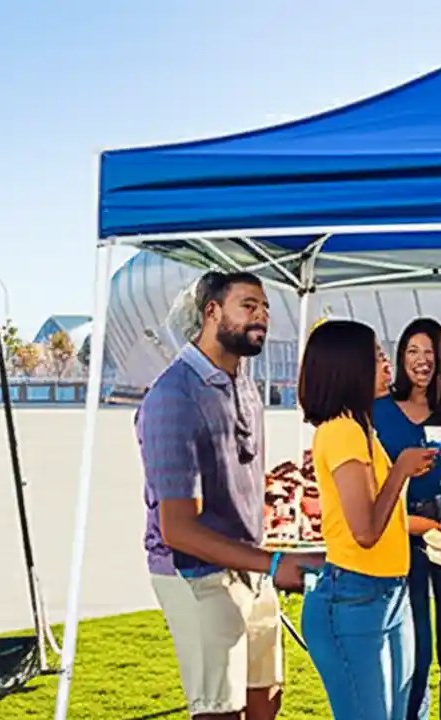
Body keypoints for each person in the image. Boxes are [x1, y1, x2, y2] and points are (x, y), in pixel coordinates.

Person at [139, 271, 318, 720]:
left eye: (265, 308)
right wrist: (275, 564)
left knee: (267, 698)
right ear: (211, 312)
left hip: (250, 565)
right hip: (197, 576)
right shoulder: (173, 396)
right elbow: (177, 528)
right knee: (221, 712)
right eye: (248, 306)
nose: (261, 317)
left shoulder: (244, 384)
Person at [298, 320, 438, 720]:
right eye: (376, 356)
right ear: (350, 367)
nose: (386, 364)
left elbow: (384, 518)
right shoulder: (343, 431)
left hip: (388, 593)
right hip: (356, 597)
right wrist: (401, 470)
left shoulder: (361, 428)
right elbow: (365, 530)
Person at [371, 318, 441, 720]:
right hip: (401, 531)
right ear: (401, 358)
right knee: (413, 651)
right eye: (412, 352)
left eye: (429, 353)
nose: (420, 361)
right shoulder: (379, 410)